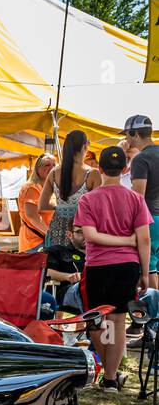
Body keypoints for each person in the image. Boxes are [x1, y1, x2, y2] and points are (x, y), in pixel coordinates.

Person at [75, 145, 150, 391]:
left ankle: (108, 374)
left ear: (99, 168)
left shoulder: (88, 199)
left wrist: (124, 241)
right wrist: (145, 272)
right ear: (125, 169)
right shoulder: (136, 199)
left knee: (96, 320)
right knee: (117, 322)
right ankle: (110, 377)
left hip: (97, 266)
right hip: (128, 266)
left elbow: (90, 236)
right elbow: (144, 239)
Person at [39, 130, 101, 248]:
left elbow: (42, 205)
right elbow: (98, 209)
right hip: (82, 230)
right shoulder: (93, 174)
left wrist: (61, 207)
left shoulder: (54, 173)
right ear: (85, 147)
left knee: (57, 258)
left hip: (57, 228)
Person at [124, 114, 159, 290]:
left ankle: (154, 306)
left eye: (127, 134)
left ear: (135, 134)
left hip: (150, 218)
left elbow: (138, 196)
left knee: (149, 266)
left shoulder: (140, 159)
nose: (126, 139)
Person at [45, 224, 87, 313]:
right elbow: (47, 272)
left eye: (88, 231)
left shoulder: (100, 254)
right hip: (68, 291)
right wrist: (68, 276)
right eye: (80, 232)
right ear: (69, 235)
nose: (86, 235)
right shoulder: (58, 251)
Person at [17, 154, 56, 252]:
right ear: (38, 169)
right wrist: (52, 235)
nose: (52, 168)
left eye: (54, 165)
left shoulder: (48, 189)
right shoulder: (31, 188)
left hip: (44, 241)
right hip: (35, 243)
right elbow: (33, 217)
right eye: (47, 165)